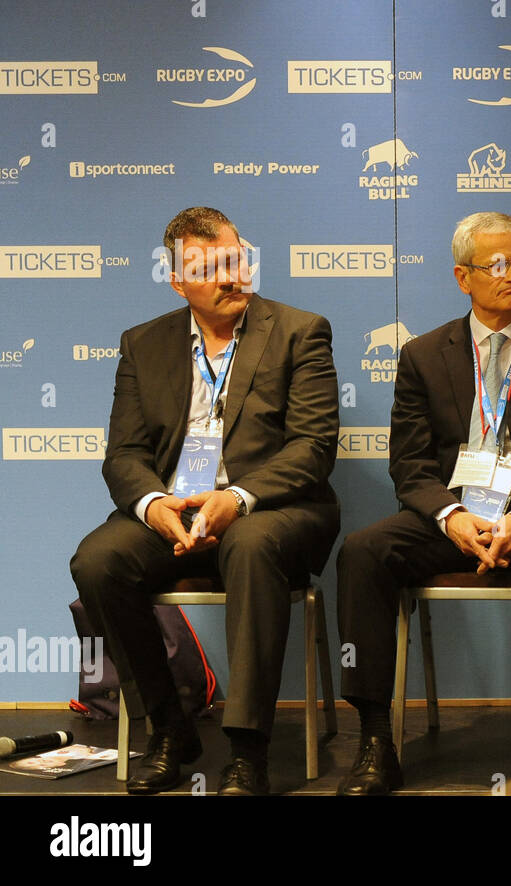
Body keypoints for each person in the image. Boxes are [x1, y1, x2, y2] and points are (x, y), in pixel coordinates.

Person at [335, 211, 511, 795]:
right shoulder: (423, 356)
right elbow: (408, 465)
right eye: (498, 265)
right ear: (463, 277)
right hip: (450, 514)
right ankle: (376, 735)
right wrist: (452, 517)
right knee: (363, 553)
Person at [71, 206, 341, 795]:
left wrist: (238, 497)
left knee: (249, 544)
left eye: (235, 260)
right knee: (97, 561)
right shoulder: (144, 344)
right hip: (175, 511)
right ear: (176, 279)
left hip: (272, 509)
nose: (229, 277)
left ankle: (247, 749)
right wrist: (152, 505)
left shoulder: (301, 330)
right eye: (210, 267)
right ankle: (169, 729)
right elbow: (124, 455)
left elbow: (313, 447)